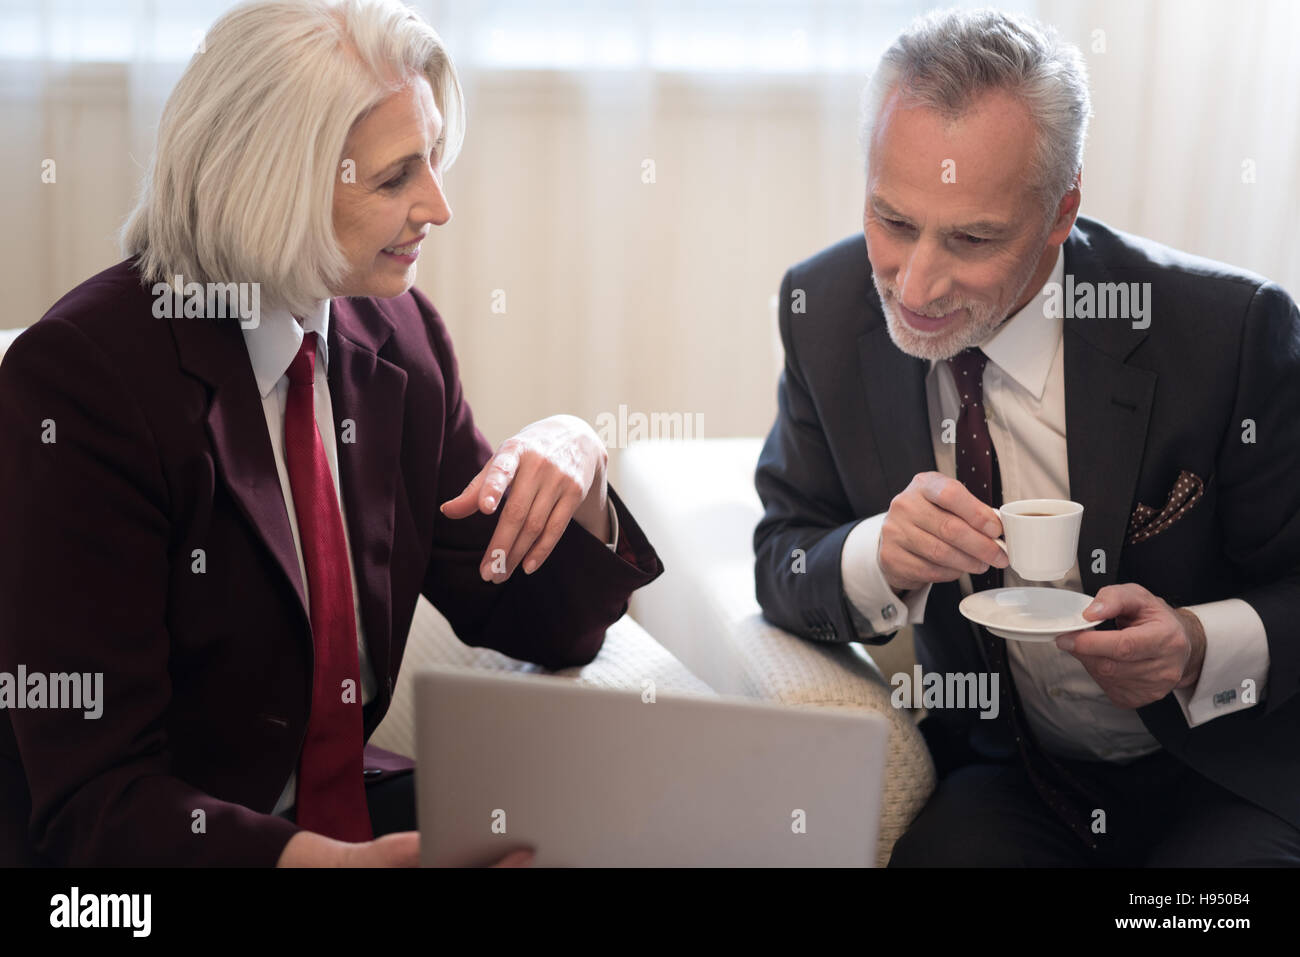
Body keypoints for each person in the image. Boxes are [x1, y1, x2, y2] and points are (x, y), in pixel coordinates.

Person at [0, 0, 663, 867]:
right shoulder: (83, 383)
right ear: (270, 184)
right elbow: (95, 805)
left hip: (341, 814)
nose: (438, 206)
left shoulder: (397, 339)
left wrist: (577, 455)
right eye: (397, 178)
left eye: (432, 159)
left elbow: (539, 622)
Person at [753, 7, 1300, 866]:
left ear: (1060, 210)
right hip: (1014, 774)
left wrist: (1198, 645)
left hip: (1228, 772)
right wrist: (878, 556)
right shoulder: (824, 312)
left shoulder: (1228, 333)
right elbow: (781, 556)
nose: (917, 285)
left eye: (971, 237)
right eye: (893, 221)